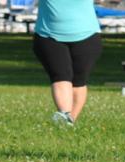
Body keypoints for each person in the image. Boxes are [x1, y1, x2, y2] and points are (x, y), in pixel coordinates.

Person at [31, 0, 100, 128]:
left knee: (79, 82)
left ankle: (69, 122)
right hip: (48, 36)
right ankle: (64, 114)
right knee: (60, 76)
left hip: (87, 35)